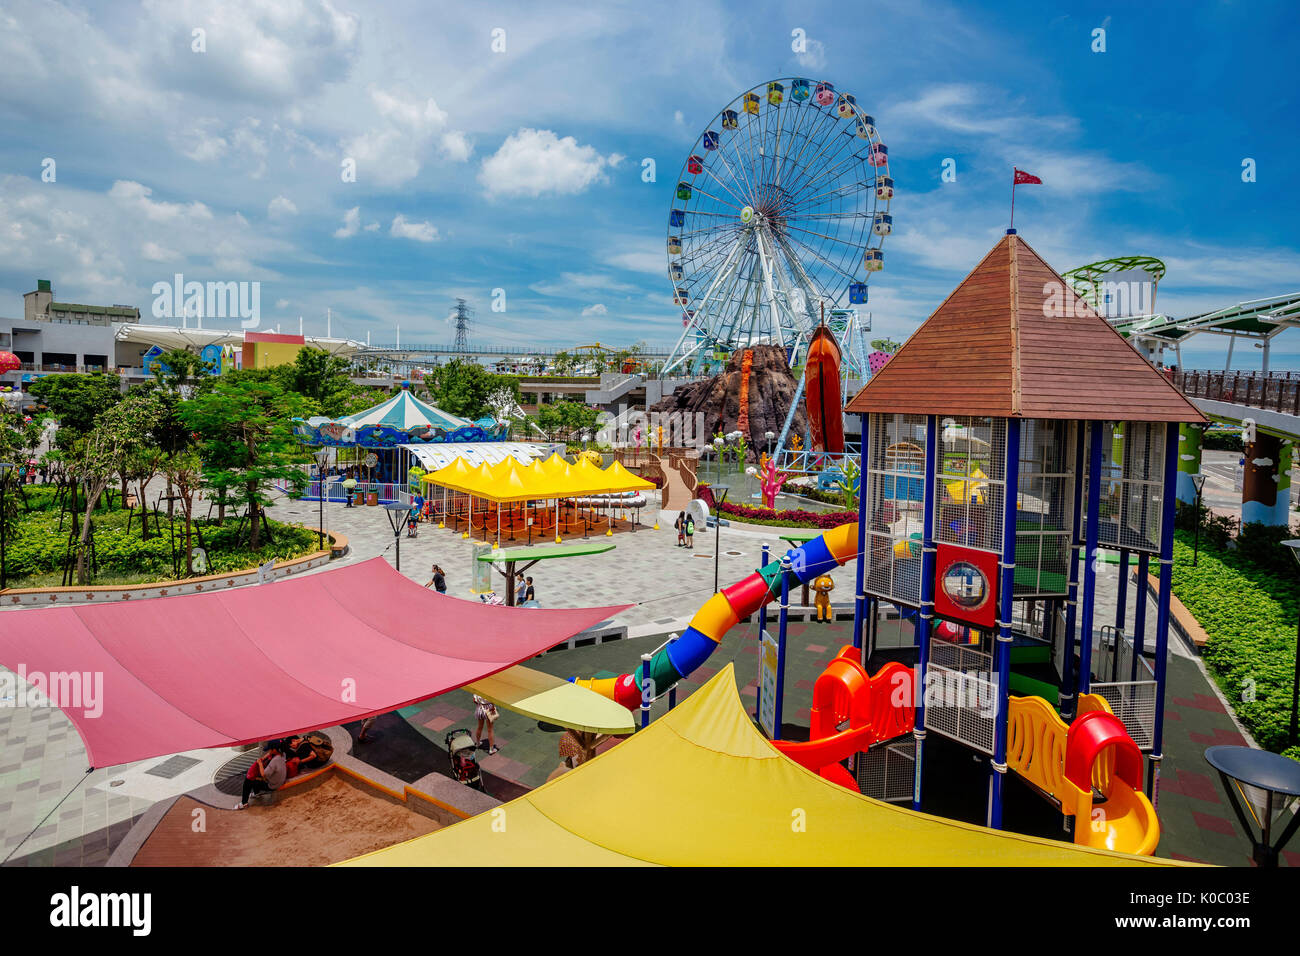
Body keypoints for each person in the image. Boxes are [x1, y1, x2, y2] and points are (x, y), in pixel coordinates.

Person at [237, 742, 287, 809]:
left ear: (274, 750)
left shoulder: (274, 761)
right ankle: (256, 793)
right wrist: (264, 757)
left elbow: (263, 774)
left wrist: (260, 763)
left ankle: (244, 803)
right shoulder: (283, 754)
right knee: (256, 779)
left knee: (248, 781)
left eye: (270, 749)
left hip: (272, 785)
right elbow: (270, 753)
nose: (269, 751)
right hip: (280, 781)